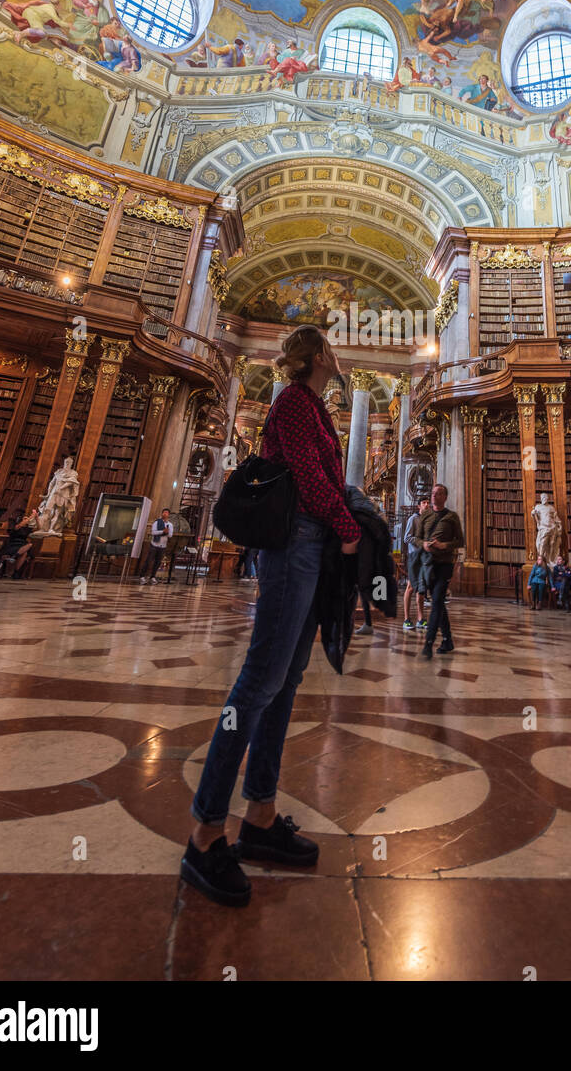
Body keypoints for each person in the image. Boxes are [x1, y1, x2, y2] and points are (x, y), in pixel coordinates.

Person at [182, 325, 361, 907]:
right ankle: (206, 832)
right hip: (296, 547)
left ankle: (259, 815)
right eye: (331, 347)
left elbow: (323, 473)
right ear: (316, 355)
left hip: (313, 543)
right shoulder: (290, 402)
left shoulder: (311, 404)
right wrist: (349, 525)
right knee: (258, 681)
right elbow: (310, 478)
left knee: (283, 684)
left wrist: (343, 518)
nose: (338, 354)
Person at [415, 484, 464, 660]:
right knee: (438, 602)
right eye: (433, 493)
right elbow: (416, 538)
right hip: (428, 565)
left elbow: (460, 541)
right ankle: (447, 640)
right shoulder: (425, 516)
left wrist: (445, 545)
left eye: (439, 493)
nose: (435, 496)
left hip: (445, 564)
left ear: (445, 497)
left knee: (436, 601)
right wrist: (424, 545)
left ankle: (428, 643)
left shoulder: (452, 517)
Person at [0, 512, 37, 581]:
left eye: (27, 519)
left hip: (22, 545)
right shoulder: (16, 526)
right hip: (13, 545)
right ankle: (16, 572)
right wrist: (31, 517)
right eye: (25, 519)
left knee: (27, 549)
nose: (27, 520)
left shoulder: (28, 529)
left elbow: (39, 527)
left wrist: (37, 518)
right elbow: (18, 527)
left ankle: (15, 561)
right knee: (26, 550)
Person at [402, 497, 429, 630]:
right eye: (424, 503)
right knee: (411, 587)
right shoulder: (413, 519)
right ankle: (406, 619)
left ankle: (420, 619)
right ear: (419, 506)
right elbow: (407, 538)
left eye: (428, 502)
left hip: (425, 558)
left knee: (421, 589)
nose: (427, 504)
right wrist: (422, 542)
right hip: (414, 557)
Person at [139, 508, 174, 585]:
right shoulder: (157, 522)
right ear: (162, 514)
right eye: (164, 512)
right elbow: (153, 532)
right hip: (154, 544)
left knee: (157, 562)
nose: (165, 514)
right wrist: (162, 531)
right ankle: (142, 576)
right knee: (149, 561)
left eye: (167, 513)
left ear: (169, 515)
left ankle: (153, 577)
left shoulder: (170, 525)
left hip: (163, 546)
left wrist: (167, 532)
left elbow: (170, 535)